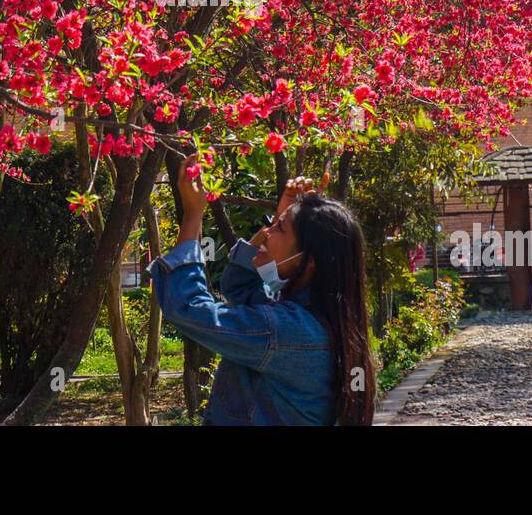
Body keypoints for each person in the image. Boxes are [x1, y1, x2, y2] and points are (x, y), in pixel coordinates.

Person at [147, 153, 375, 425]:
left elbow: (188, 308)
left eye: (279, 228)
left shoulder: (285, 330)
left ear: (308, 259)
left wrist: (193, 215)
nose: (267, 232)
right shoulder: (321, 321)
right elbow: (242, 288)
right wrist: (283, 217)